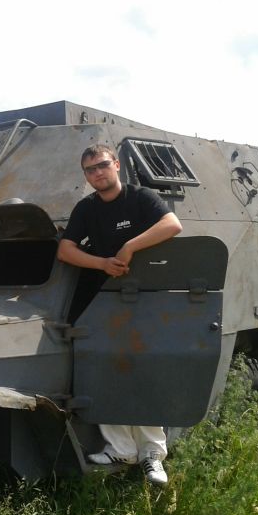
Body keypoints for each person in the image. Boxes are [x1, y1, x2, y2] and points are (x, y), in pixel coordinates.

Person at [57, 144, 183, 486]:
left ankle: (152, 453)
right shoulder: (87, 208)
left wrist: (129, 246)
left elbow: (172, 224)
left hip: (144, 298)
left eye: (102, 165)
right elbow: (65, 250)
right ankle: (121, 449)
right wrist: (101, 263)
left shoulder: (140, 197)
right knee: (103, 370)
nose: (97, 173)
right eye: (90, 170)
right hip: (105, 300)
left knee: (141, 371)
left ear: (115, 164)